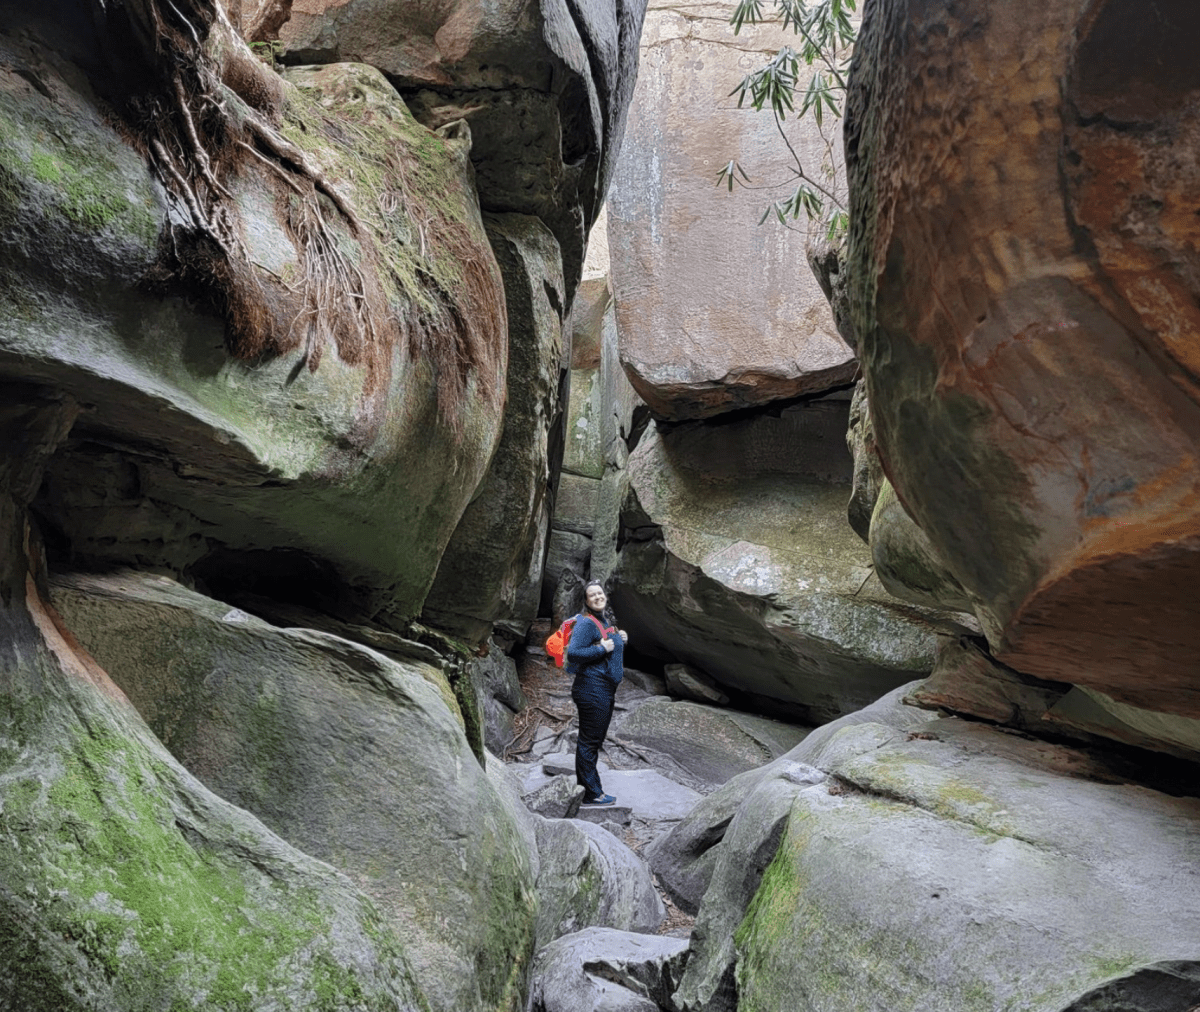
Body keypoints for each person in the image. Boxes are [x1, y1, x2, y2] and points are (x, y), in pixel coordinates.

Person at [565, 581, 628, 806]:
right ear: (586, 601)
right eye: (592, 595)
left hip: (602, 688)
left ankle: (590, 788)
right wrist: (602, 648)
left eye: (600, 593)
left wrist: (620, 639)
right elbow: (574, 653)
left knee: (594, 740)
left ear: (605, 596)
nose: (597, 597)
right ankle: (591, 793)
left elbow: (608, 648)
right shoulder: (586, 623)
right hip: (591, 688)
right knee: (589, 741)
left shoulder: (604, 621)